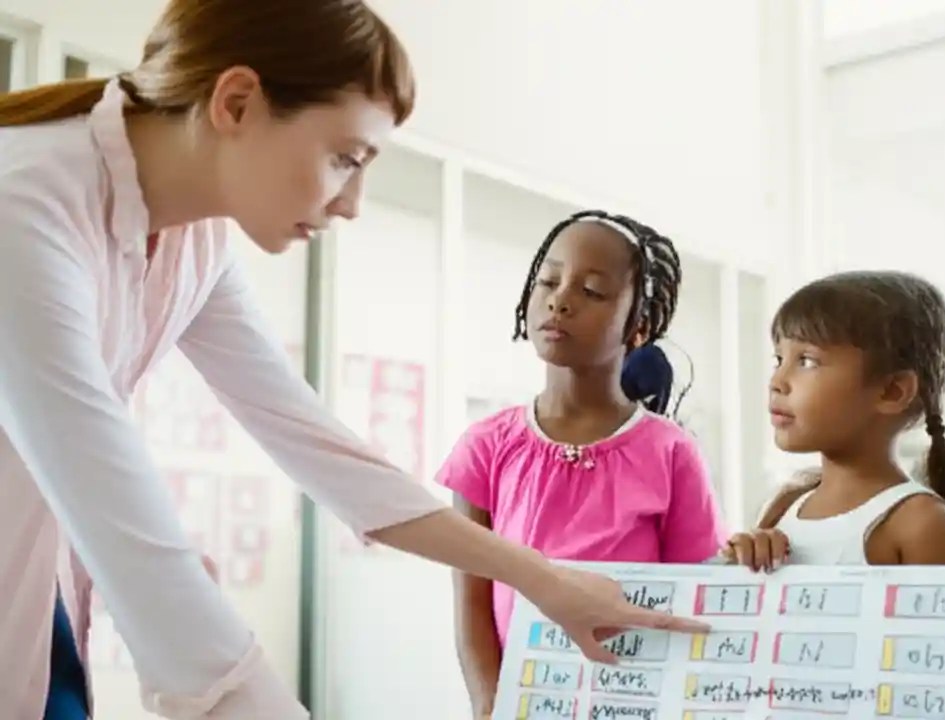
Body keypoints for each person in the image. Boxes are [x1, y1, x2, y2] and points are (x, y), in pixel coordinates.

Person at [0, 2, 705, 718]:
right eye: (345, 159)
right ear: (236, 102)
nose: (352, 203)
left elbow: (326, 453)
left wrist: (545, 582)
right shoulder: (22, 204)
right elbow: (116, 514)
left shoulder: (195, 243)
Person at [439, 210, 726, 718]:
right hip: (522, 705)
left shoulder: (671, 451)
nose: (559, 298)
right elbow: (472, 605)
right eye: (548, 280)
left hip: (636, 703)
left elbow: (694, 596)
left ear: (640, 326)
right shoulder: (486, 444)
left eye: (591, 290)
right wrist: (488, 703)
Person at [721, 271, 945, 572]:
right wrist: (740, 567)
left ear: (892, 391)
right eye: (779, 360)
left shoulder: (920, 523)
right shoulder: (783, 506)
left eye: (807, 361)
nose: (777, 381)